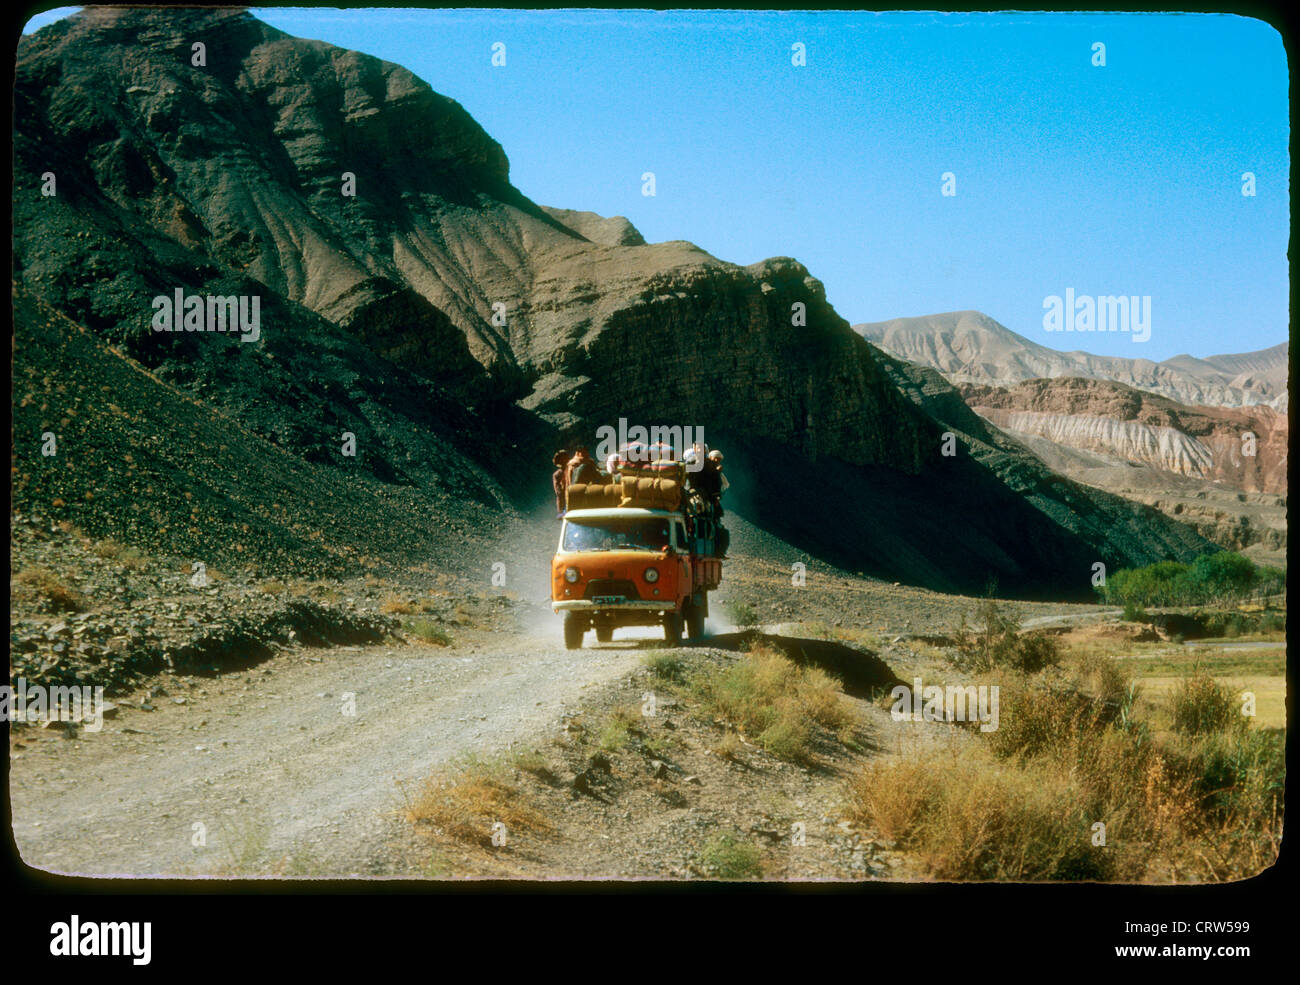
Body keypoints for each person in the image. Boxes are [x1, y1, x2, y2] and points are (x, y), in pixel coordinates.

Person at [552, 450, 569, 519]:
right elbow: (558, 492)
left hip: (567, 500)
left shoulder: (572, 469)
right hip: (564, 502)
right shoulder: (557, 474)